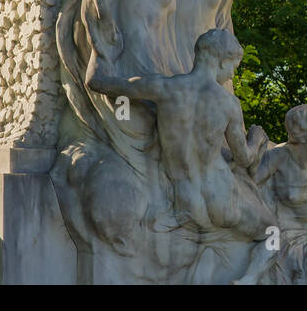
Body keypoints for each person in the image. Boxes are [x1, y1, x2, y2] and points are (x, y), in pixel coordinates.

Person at [85, 28, 277, 283]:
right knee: (273, 232)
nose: (232, 73)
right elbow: (244, 159)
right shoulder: (227, 103)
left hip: (184, 201)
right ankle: (248, 280)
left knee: (211, 243)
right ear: (221, 60)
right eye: (233, 65)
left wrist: (98, 49)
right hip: (222, 197)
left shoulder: (164, 88)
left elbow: (97, 82)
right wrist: (257, 137)